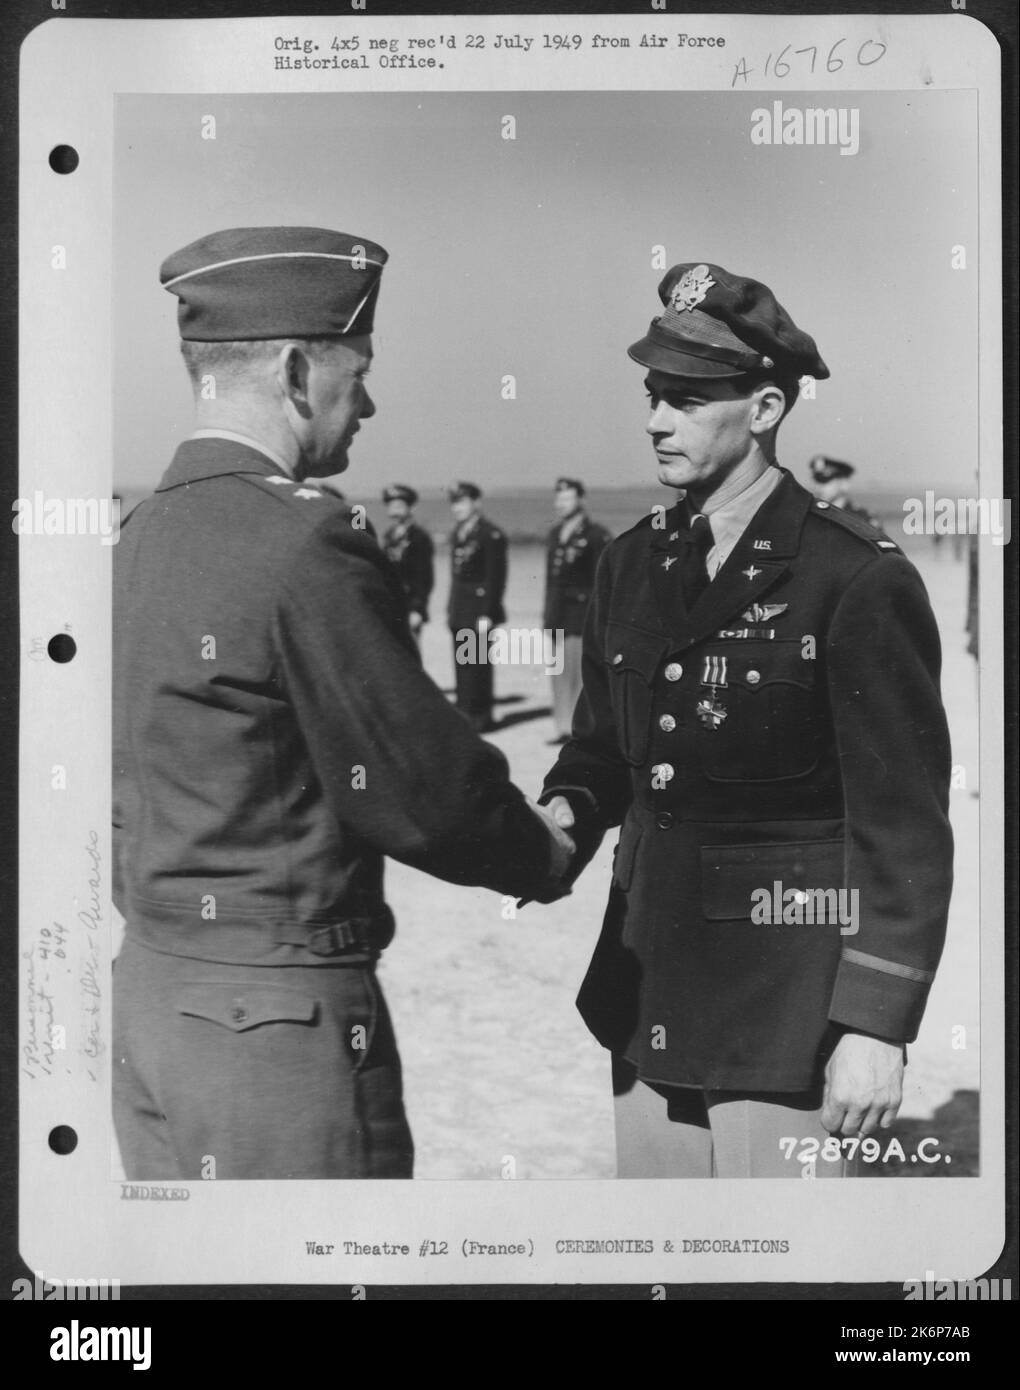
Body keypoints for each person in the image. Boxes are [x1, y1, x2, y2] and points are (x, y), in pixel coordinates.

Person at [112, 226, 573, 1181]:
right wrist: (547, 852)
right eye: (355, 372)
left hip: (154, 996)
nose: (368, 403)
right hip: (276, 1023)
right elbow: (426, 792)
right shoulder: (308, 542)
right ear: (292, 370)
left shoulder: (142, 531)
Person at [540, 261, 953, 1179]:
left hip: (784, 1012)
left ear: (765, 409)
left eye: (687, 398)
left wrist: (874, 1024)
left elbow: (904, 827)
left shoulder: (853, 576)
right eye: (654, 393)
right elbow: (603, 748)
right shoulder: (628, 564)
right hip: (644, 985)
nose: (655, 419)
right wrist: (565, 812)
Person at [543, 477, 610, 743]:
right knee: (558, 672)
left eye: (567, 498)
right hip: (558, 614)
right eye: (558, 499)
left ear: (581, 500)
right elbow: (551, 581)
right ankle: (562, 726)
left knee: (579, 674)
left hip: (582, 616)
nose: (561, 504)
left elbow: (601, 581)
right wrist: (547, 615)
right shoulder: (555, 534)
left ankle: (579, 729)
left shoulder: (595, 536)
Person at [446, 481, 507, 732]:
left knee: (478, 665)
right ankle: (465, 713)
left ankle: (481, 717)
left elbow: (495, 577)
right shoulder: (459, 533)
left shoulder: (490, 534)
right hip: (461, 608)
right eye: (454, 503)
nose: (457, 508)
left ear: (476, 503)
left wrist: (487, 612)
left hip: (479, 610)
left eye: (461, 502)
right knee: (463, 664)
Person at [380, 484, 434, 640]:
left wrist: (417, 609)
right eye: (391, 505)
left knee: (410, 656)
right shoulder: (390, 535)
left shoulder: (419, 537)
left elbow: (425, 577)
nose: (394, 509)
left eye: (398, 505)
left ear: (411, 508)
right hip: (391, 604)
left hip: (409, 606)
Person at [808, 454, 879, 527]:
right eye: (816, 480)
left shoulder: (863, 519)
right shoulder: (811, 516)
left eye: (824, 481)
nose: (818, 487)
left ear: (844, 483)